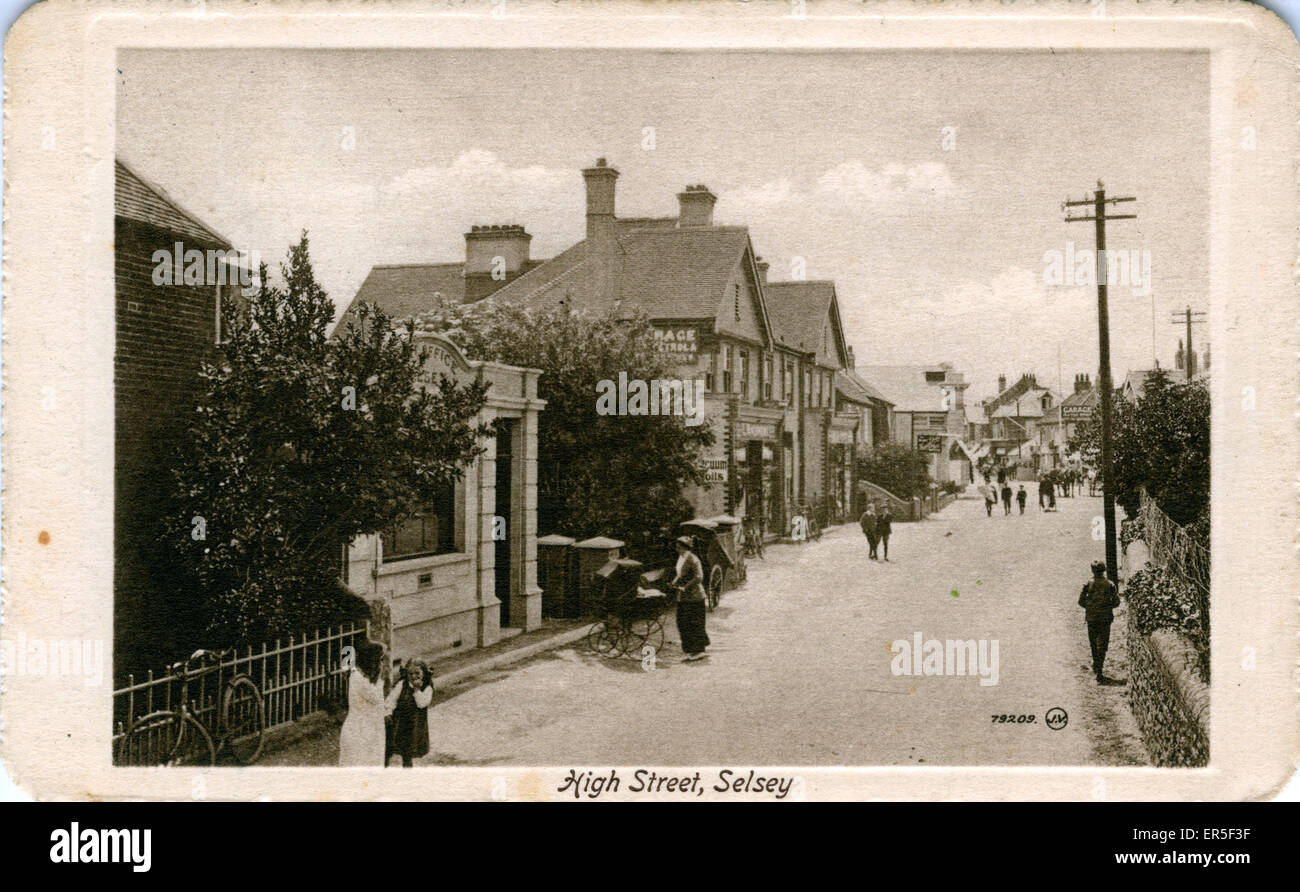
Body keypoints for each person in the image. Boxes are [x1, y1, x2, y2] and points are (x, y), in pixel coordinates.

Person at [339, 639, 388, 766]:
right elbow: (377, 698)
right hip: (361, 732)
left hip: (367, 730)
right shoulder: (360, 680)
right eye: (381, 660)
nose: (382, 664)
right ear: (372, 661)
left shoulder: (360, 677)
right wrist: (380, 677)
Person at [1078, 561, 1124, 684]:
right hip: (1105, 618)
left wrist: (1090, 607)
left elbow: (1081, 601)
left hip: (1092, 618)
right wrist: (1106, 607)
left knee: (1093, 643)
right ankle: (1100, 670)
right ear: (1104, 571)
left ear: (1092, 571)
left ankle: (1096, 666)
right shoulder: (1110, 584)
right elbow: (1117, 602)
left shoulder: (1088, 584)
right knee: (1102, 645)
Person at [387, 659, 433, 768]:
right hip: (401, 723)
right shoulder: (402, 684)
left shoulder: (427, 687)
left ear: (424, 673)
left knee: (409, 749)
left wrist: (417, 690)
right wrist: (388, 712)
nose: (413, 676)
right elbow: (391, 699)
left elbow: (422, 703)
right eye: (410, 673)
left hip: (415, 726)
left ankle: (407, 771)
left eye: (417, 673)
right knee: (396, 747)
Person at [671, 536, 710, 661]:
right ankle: (690, 650)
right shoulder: (681, 558)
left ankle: (698, 651)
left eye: (678, 546)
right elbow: (679, 574)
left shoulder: (693, 559)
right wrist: (673, 583)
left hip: (695, 597)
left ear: (684, 547)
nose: (676, 548)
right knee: (682, 623)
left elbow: (699, 577)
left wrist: (686, 587)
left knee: (694, 623)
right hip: (683, 596)